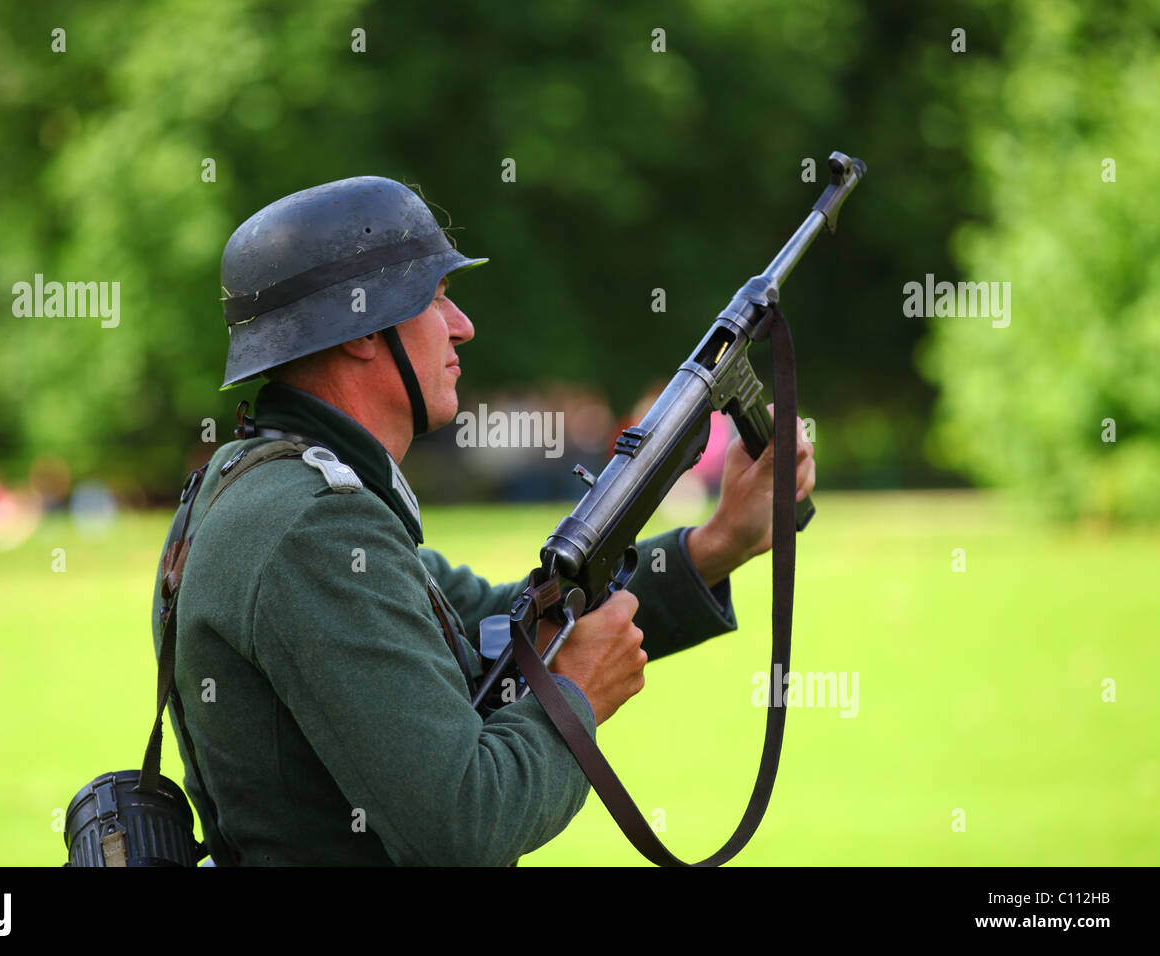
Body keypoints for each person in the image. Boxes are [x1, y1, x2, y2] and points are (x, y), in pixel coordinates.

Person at [152, 176, 815, 866]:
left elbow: (497, 622)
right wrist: (575, 695)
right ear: (361, 332)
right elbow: (461, 826)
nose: (462, 324)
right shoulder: (313, 530)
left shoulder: (257, 486)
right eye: (437, 298)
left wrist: (715, 545)